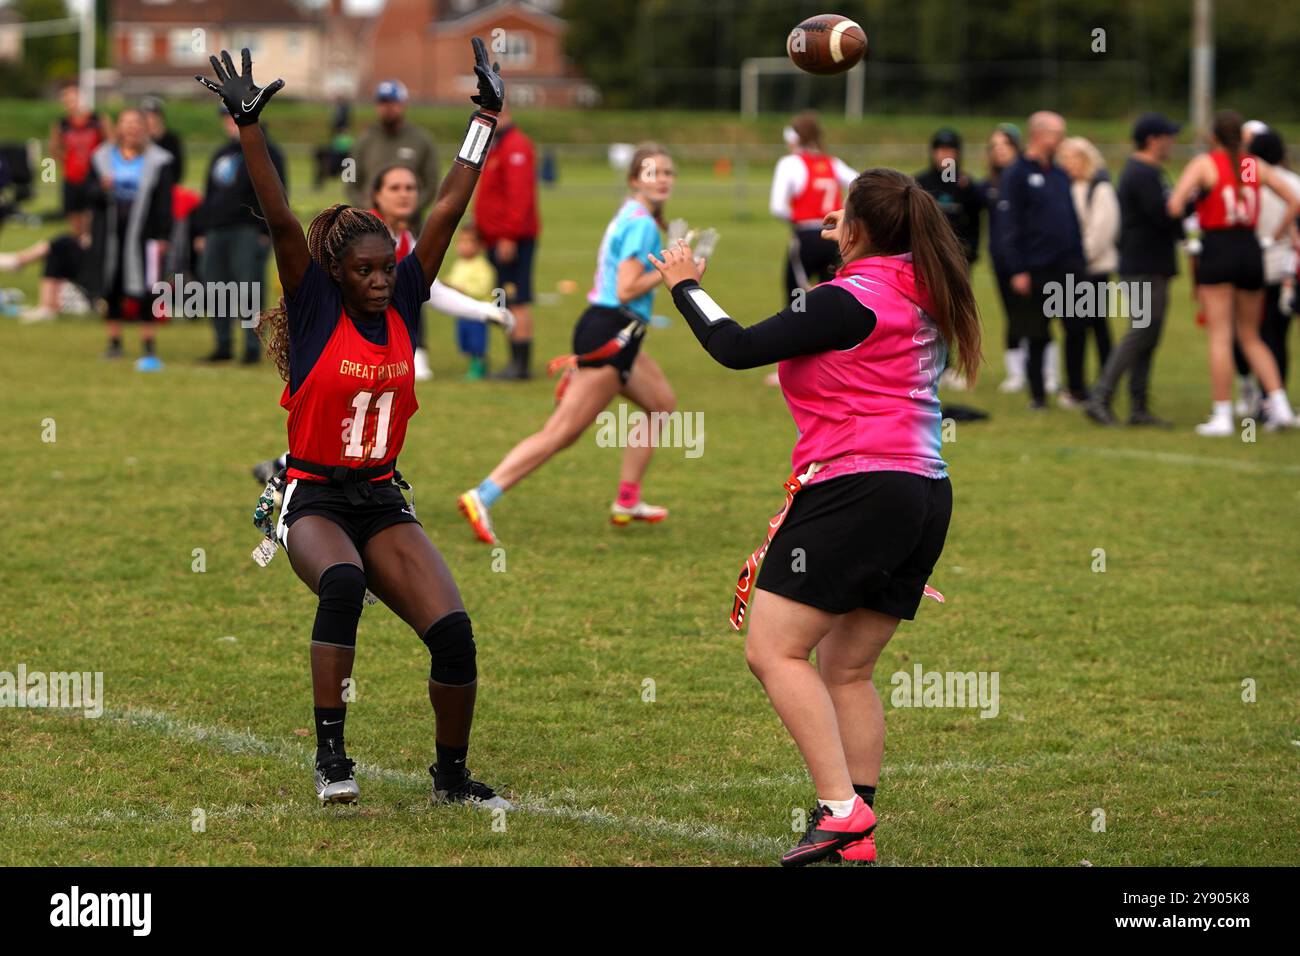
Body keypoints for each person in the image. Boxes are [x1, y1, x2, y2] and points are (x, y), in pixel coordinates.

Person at [196, 42, 511, 808]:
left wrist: (483, 119)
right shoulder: (313, 306)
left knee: (455, 634)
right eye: (365, 271)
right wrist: (249, 129)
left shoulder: (404, 295)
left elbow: (446, 208)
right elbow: (277, 216)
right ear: (336, 271)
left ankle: (451, 779)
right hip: (310, 497)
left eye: (386, 268)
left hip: (380, 495)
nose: (380, 280)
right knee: (341, 581)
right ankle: (332, 760)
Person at [649, 167, 981, 867]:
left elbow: (735, 347)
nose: (829, 222)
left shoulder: (845, 300)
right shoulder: (924, 288)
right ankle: (854, 821)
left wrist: (684, 282)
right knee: (848, 672)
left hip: (857, 489)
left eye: (841, 216)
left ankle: (840, 813)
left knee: (774, 651)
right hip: (923, 494)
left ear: (858, 229)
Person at [457, 144, 687, 545]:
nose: (663, 179)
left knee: (661, 404)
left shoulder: (634, 215)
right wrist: (675, 271)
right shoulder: (642, 224)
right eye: (654, 172)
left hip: (619, 331)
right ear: (635, 179)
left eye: (668, 172)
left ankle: (627, 500)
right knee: (561, 433)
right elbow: (626, 287)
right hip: (610, 332)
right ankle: (482, 495)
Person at [1167, 110, 1299, 434]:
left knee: (1220, 336)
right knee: (1251, 335)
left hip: (1218, 247)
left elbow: (1174, 205)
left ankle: (1223, 414)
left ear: (1214, 136)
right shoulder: (1251, 165)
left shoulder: (1206, 164)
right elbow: (1293, 200)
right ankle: (1280, 405)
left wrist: (1192, 225)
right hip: (1251, 248)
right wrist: (1275, 235)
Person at [1085, 113, 1183, 427]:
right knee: (1140, 331)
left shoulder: (1153, 172)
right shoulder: (1140, 173)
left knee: (1149, 335)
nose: (1172, 142)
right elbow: (1163, 215)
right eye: (1168, 136)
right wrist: (1192, 201)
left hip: (1155, 264)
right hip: (1141, 266)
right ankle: (1100, 397)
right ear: (1153, 139)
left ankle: (1138, 406)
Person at [995, 111, 1083, 409]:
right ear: (1040, 135)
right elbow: (1009, 224)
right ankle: (1038, 395)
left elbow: (1070, 219)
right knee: (1037, 333)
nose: (1062, 140)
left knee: (1076, 328)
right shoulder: (1017, 173)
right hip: (1036, 269)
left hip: (1068, 267)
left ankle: (1075, 391)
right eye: (1058, 133)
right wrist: (1018, 268)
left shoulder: (1058, 174)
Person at [192, 106, 286, 363]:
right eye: (225, 119)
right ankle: (223, 345)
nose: (229, 124)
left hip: (248, 230)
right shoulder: (221, 153)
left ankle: (252, 347)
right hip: (216, 230)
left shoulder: (268, 152)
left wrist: (267, 231)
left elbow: (277, 193)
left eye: (233, 118)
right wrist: (201, 230)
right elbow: (209, 194)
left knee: (248, 289)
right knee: (216, 287)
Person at [90, 109, 174, 371]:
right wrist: (101, 189)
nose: (131, 129)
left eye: (136, 124)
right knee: (111, 285)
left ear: (144, 128)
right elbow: (88, 194)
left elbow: (164, 201)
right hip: (112, 233)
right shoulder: (102, 157)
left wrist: (162, 236)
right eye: (126, 124)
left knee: (148, 288)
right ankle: (114, 343)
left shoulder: (159, 160)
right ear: (118, 127)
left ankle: (148, 347)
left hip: (145, 234)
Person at [474, 103, 540, 380]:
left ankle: (520, 365)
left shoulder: (515, 147)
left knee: (516, 300)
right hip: (497, 238)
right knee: (506, 299)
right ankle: (514, 360)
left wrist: (508, 235)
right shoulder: (498, 145)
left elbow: (519, 197)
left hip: (512, 239)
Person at [769, 112, 857, 301]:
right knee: (833, 295)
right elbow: (861, 182)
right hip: (836, 236)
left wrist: (797, 217)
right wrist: (846, 213)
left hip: (807, 237)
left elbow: (777, 207)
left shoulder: (789, 163)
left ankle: (797, 330)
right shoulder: (832, 163)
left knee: (797, 298)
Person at [1056, 136, 1117, 406]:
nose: (1069, 163)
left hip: (1094, 271)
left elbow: (1102, 230)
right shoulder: (1061, 188)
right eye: (1065, 158)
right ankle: (1075, 387)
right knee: (1072, 329)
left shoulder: (1099, 188)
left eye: (1074, 157)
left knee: (1097, 327)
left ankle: (1106, 383)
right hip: (1067, 270)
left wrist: (1079, 258)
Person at [1248, 130, 1300, 394]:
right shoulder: (1293, 181)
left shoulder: (1251, 182)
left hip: (1257, 264)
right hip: (1286, 264)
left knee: (1259, 336)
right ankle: (1276, 396)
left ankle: (1266, 396)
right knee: (1279, 336)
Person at [979, 123, 1028, 392]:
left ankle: (1046, 372)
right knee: (1011, 314)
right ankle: (1016, 372)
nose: (999, 151)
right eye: (994, 146)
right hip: (1000, 260)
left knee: (1034, 315)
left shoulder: (1027, 179)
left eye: (1005, 145)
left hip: (1029, 259)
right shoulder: (988, 185)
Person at [345, 80, 439, 214]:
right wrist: (367, 211)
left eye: (393, 101)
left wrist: (408, 209)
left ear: (403, 104)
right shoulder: (362, 140)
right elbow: (349, 181)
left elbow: (431, 185)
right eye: (383, 102)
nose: (388, 107)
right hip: (370, 227)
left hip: (409, 226)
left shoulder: (422, 140)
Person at [51, 80, 110, 240]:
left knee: (90, 223)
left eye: (73, 99)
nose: (70, 104)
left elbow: (110, 144)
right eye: (66, 100)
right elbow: (54, 149)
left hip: (92, 178)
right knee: (75, 227)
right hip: (72, 178)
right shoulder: (62, 124)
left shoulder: (97, 120)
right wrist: (67, 161)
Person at [915, 128, 983, 266]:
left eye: (949, 150)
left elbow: (974, 220)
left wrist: (971, 251)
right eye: (941, 150)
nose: (945, 155)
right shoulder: (920, 183)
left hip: (958, 255)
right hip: (928, 254)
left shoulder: (965, 185)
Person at [445, 227, 497, 380]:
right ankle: (474, 365)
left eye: (469, 242)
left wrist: (462, 289)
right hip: (462, 311)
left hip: (477, 312)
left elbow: (482, 288)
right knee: (464, 339)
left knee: (477, 341)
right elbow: (453, 280)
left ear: (480, 246)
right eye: (461, 242)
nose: (463, 246)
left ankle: (478, 367)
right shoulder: (459, 264)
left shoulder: (483, 267)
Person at [140, 97, 185, 185]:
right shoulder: (141, 140)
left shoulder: (172, 140)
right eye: (147, 117)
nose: (150, 120)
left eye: (154, 116)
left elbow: (178, 169)